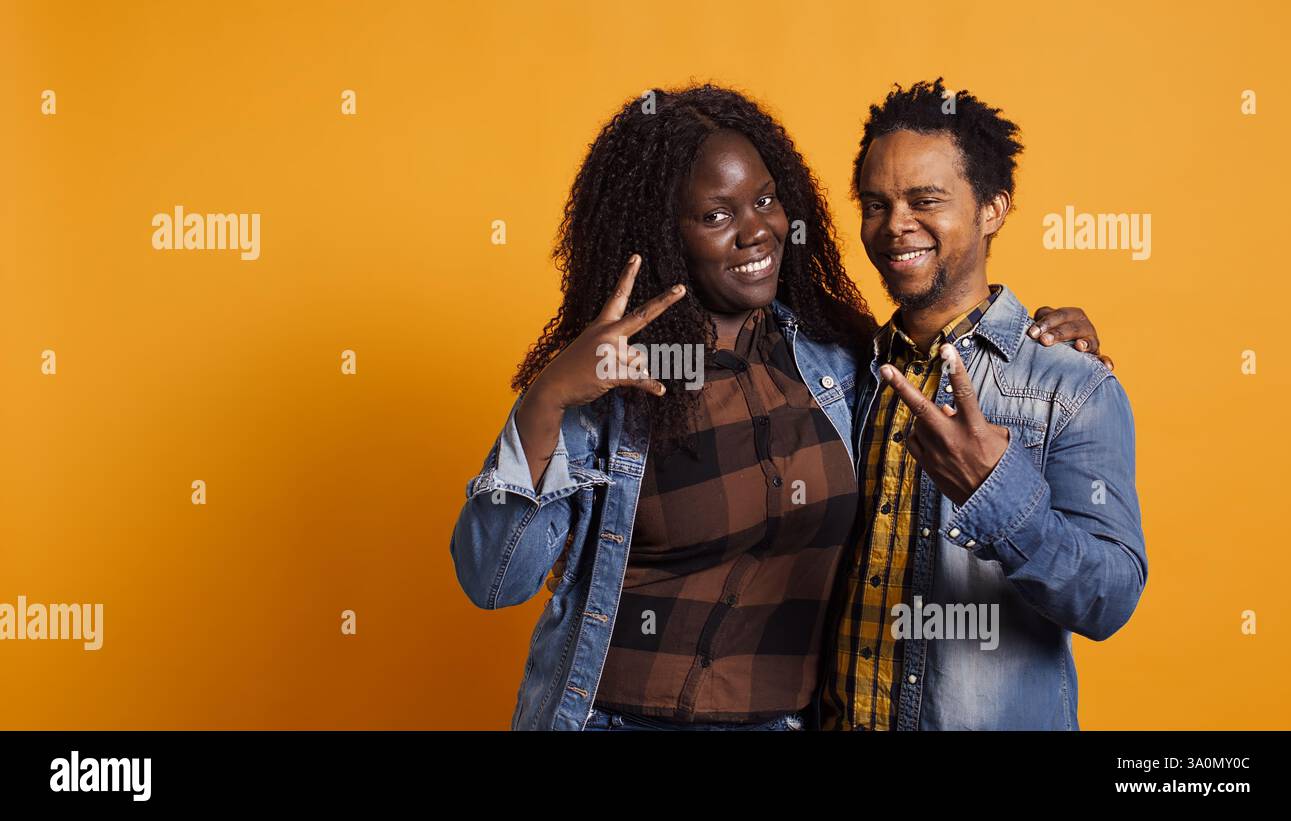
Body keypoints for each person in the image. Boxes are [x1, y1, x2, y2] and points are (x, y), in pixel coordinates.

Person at [450, 84, 1108, 731]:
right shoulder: (612, 380)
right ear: (661, 232)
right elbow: (495, 578)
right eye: (716, 215)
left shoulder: (835, 359)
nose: (755, 230)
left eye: (764, 200)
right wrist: (548, 397)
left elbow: (944, 340)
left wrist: (1039, 341)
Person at [817, 79, 1147, 731]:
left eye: (925, 200)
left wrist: (999, 495)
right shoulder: (844, 370)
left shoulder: (1070, 383)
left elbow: (1110, 595)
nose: (895, 226)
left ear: (993, 209)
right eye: (877, 204)